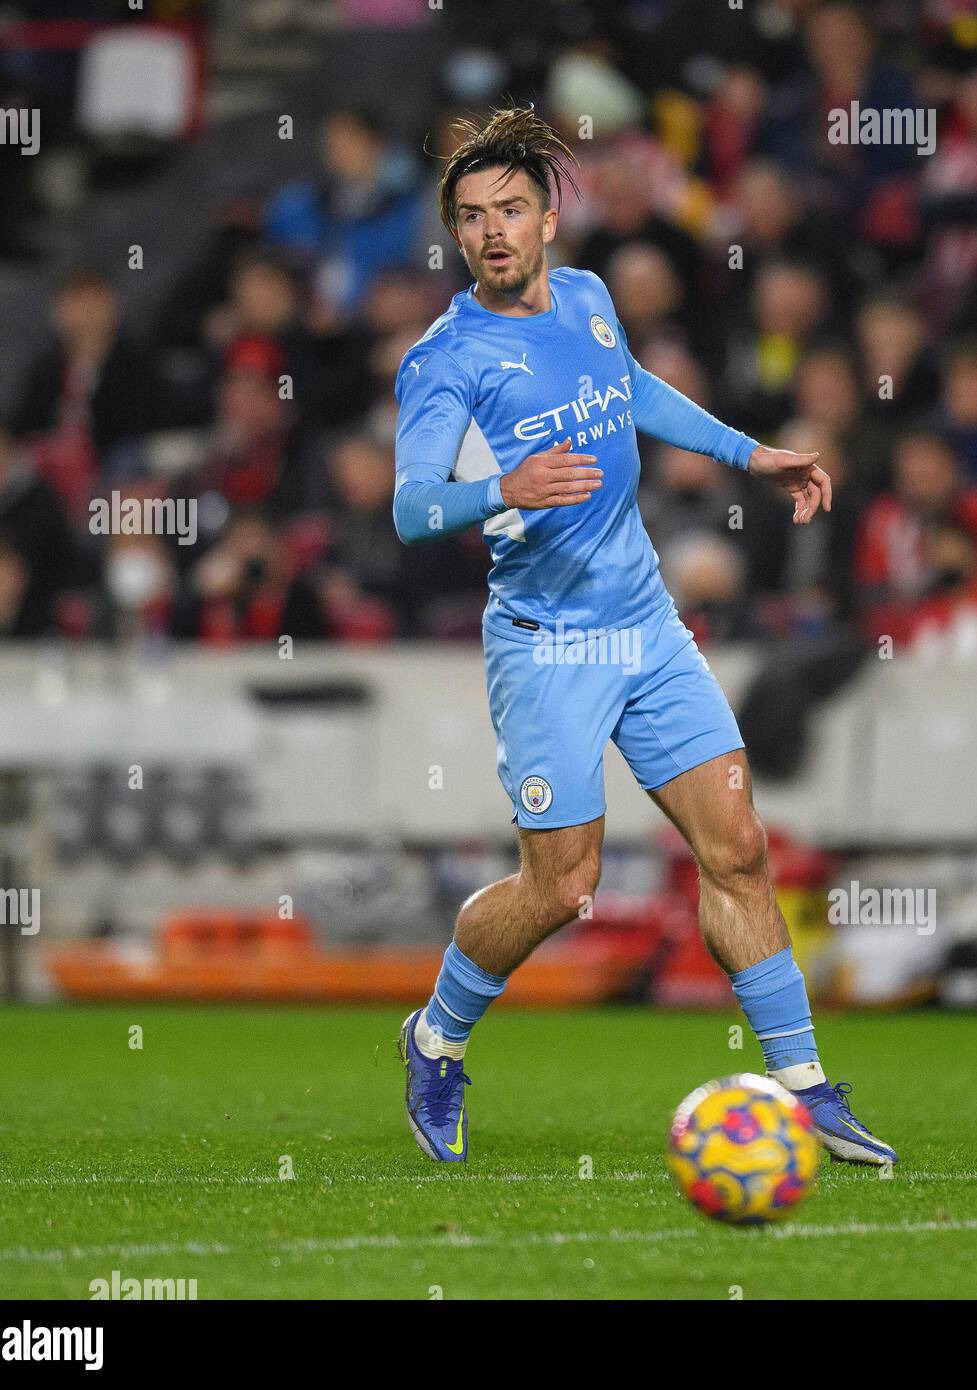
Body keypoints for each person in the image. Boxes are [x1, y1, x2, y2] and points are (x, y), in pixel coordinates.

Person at [391, 106, 895, 1166]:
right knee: (563, 887)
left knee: (739, 848)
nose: (492, 231)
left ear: (548, 216)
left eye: (511, 208)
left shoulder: (587, 297)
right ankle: (436, 1037)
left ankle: (802, 1088)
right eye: (472, 216)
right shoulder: (447, 358)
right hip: (544, 645)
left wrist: (747, 451)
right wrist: (501, 487)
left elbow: (627, 389)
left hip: (646, 627)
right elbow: (408, 507)